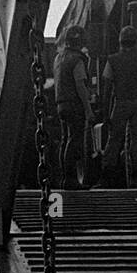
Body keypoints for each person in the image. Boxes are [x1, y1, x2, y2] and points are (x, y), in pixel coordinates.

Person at [100, 25, 137, 185]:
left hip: (120, 104)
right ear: (136, 41)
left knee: (114, 139)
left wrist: (105, 114)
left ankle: (107, 176)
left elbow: (107, 89)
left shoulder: (112, 60)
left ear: (120, 41)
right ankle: (136, 175)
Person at [54, 25, 94, 188]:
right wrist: (88, 109)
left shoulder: (59, 58)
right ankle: (71, 179)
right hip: (74, 105)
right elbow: (80, 85)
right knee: (75, 140)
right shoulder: (78, 59)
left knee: (65, 140)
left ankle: (64, 177)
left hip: (61, 103)